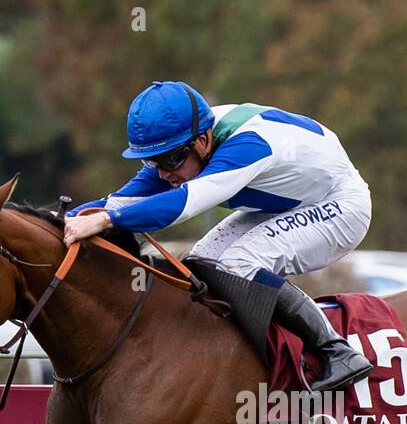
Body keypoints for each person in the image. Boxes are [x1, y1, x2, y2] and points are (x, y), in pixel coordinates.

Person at [64, 80, 374, 393]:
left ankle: (336, 351)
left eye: (170, 160)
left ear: (202, 141)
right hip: (288, 201)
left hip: (340, 205)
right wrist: (58, 220)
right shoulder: (183, 143)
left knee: (238, 264)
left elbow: (182, 204)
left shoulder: (247, 146)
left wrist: (107, 220)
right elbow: (119, 202)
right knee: (204, 263)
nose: (161, 173)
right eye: (151, 161)